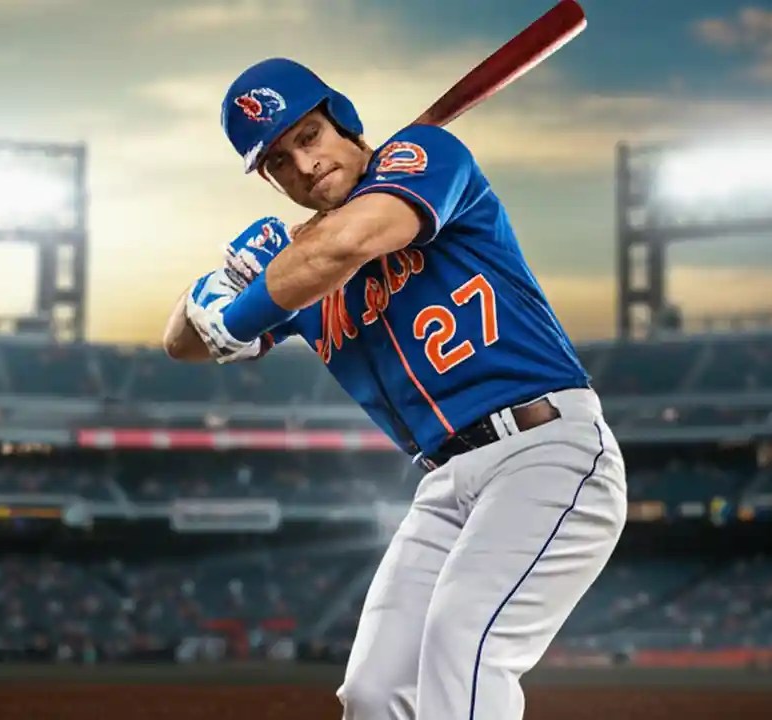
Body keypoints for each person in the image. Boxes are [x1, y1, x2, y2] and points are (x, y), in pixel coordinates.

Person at [162, 58, 627, 720]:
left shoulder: (424, 157)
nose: (305, 165)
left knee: (463, 644)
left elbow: (345, 245)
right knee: (376, 693)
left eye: (310, 135)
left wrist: (241, 311)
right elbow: (179, 342)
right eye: (279, 162)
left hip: (544, 447)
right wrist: (218, 282)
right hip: (442, 482)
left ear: (343, 119)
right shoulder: (294, 275)